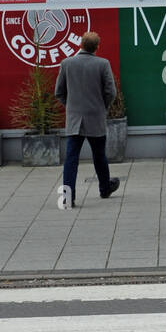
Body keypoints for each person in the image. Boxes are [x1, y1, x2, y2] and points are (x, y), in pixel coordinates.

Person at [54, 32, 121, 207]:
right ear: (97, 47)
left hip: (74, 119)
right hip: (96, 117)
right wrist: (102, 107)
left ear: (81, 45)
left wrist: (71, 106)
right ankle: (105, 188)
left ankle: (68, 198)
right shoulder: (102, 64)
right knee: (99, 155)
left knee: (71, 159)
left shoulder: (67, 63)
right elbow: (111, 92)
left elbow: (59, 92)